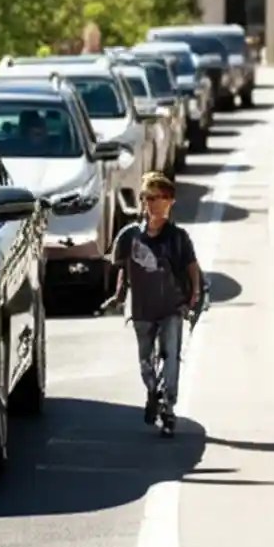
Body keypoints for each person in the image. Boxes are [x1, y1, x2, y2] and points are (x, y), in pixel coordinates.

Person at [100, 172, 201, 431]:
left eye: (157, 198)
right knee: (145, 362)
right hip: (142, 309)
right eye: (146, 198)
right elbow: (123, 267)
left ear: (170, 202)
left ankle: (168, 407)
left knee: (171, 357)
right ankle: (152, 392)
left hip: (171, 306)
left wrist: (195, 294)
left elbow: (192, 267)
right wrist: (119, 295)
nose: (151, 204)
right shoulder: (129, 236)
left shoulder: (179, 238)